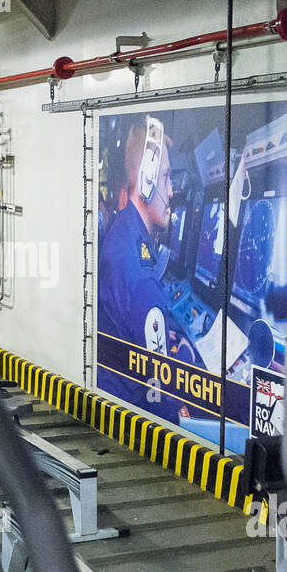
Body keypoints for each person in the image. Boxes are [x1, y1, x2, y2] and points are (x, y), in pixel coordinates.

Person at [96, 115, 197, 424]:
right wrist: (184, 357)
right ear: (147, 181)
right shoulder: (143, 280)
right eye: (165, 178)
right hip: (130, 418)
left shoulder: (124, 229)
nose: (170, 192)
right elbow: (158, 391)